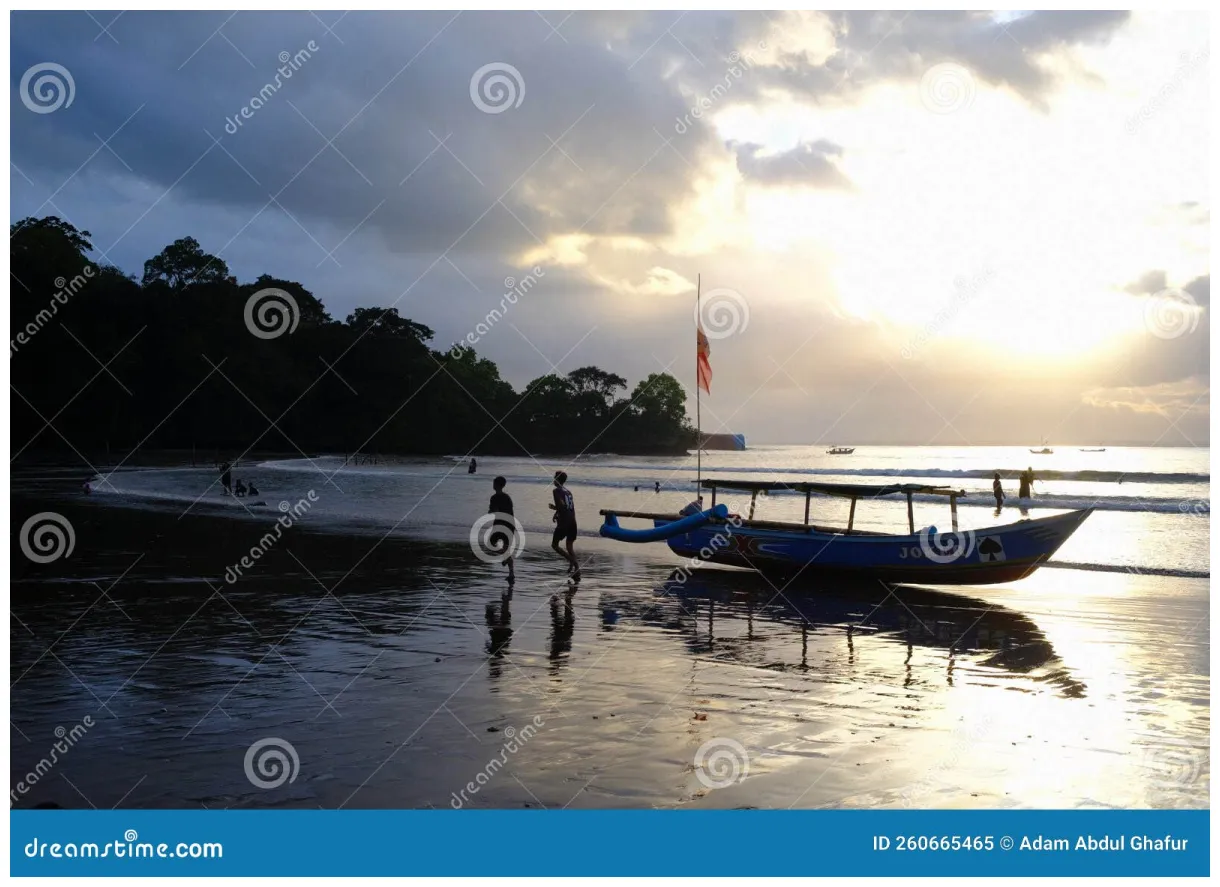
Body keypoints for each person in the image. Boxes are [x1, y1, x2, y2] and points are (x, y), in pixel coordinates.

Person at [549, 470, 579, 579]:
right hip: (573, 521)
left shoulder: (556, 491)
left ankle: (574, 563)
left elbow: (562, 507)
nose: (553, 479)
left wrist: (557, 513)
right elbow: (567, 507)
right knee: (569, 545)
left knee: (554, 545)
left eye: (555, 477)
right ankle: (574, 568)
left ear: (558, 480)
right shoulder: (568, 492)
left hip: (565, 522)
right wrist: (556, 511)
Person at [488, 475, 516, 583]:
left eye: (494, 483)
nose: (493, 485)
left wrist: (490, 512)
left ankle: (505, 558)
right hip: (510, 524)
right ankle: (511, 574)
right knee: (506, 549)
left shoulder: (494, 497)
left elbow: (494, 510)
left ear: (496, 485)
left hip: (500, 524)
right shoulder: (507, 497)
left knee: (491, 544)